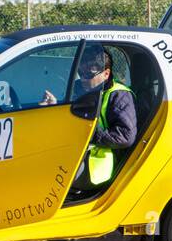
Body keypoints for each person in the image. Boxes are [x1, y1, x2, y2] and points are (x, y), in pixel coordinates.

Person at [43, 43, 137, 195]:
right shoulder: (79, 88)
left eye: (90, 73)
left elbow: (125, 137)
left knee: (48, 170)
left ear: (106, 74)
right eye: (82, 72)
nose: (84, 78)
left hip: (98, 165)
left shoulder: (119, 95)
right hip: (75, 150)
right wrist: (54, 106)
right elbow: (70, 118)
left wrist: (88, 134)